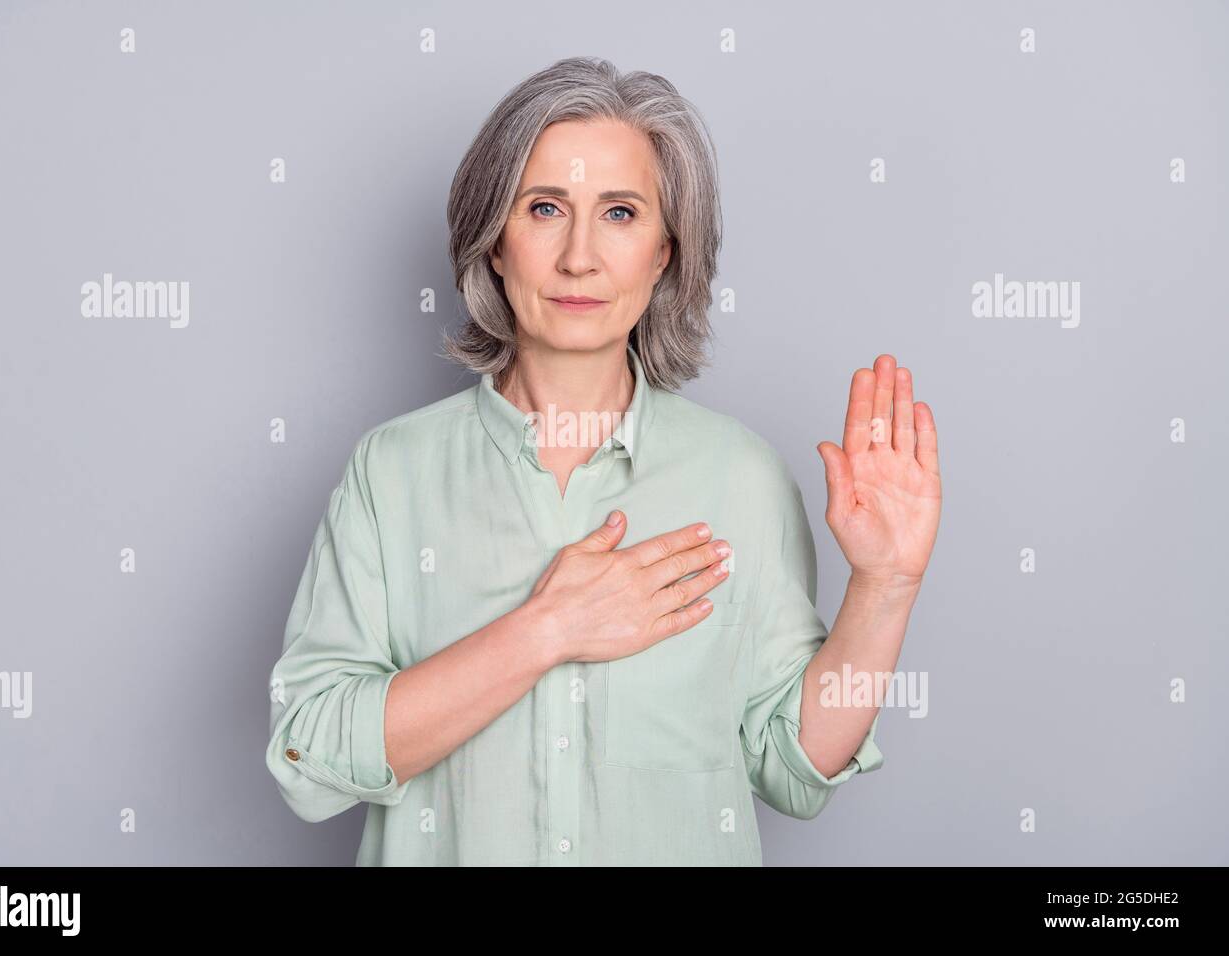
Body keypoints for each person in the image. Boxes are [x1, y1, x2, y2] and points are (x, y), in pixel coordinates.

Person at [266, 56, 941, 866]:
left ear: (663, 254)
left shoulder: (743, 479)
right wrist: (545, 630)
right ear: (493, 242)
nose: (579, 256)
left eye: (620, 213)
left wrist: (885, 590)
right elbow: (309, 762)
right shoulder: (390, 474)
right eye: (545, 208)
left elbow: (794, 767)